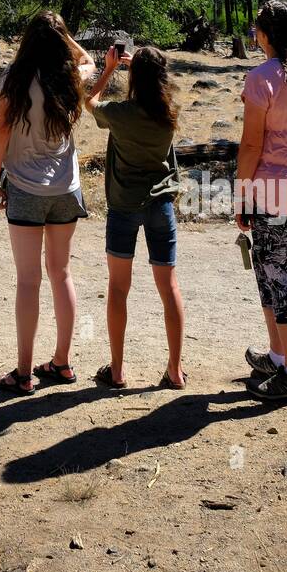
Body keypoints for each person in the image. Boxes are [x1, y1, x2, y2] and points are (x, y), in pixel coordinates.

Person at [0, 11, 96, 395]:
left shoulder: (14, 79)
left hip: (25, 187)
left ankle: (23, 373)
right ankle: (62, 362)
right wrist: (64, 37)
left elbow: (0, 131)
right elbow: (89, 62)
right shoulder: (70, 78)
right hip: (66, 189)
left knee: (28, 280)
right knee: (61, 273)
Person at [235, 0, 287, 405]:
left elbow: (251, 144)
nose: (255, 38)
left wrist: (241, 194)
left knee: (278, 275)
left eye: (257, 32)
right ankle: (279, 356)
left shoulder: (261, 78)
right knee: (268, 272)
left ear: (265, 36)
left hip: (273, 189)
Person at [85, 45, 185, 390]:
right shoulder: (168, 112)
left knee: (118, 288)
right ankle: (175, 370)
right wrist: (139, 68)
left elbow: (90, 102)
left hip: (124, 207)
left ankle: (117, 369)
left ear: (136, 76)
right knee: (169, 288)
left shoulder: (121, 113)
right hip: (161, 206)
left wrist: (110, 69)